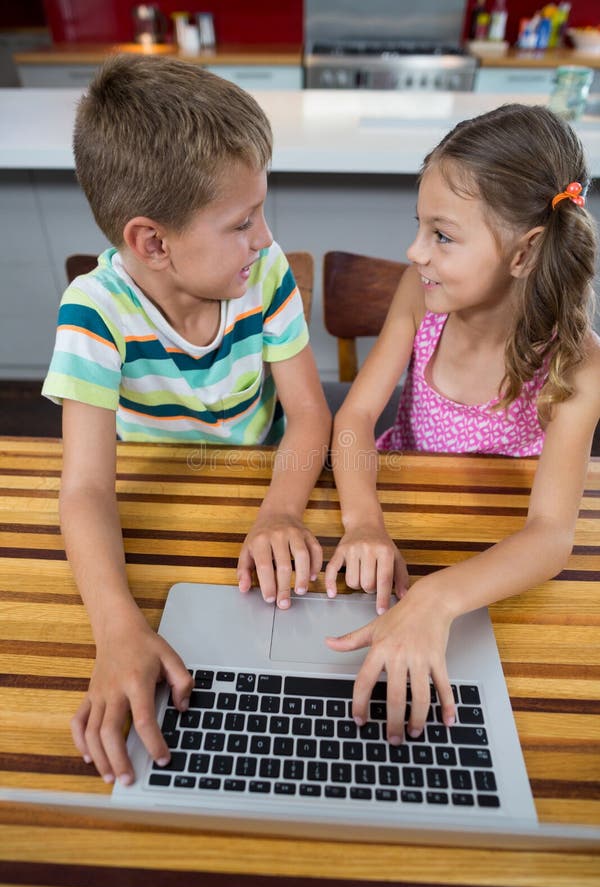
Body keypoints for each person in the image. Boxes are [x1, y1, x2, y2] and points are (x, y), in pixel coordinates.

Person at [41, 54, 331, 785]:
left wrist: (280, 511)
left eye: (261, 211)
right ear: (153, 243)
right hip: (158, 502)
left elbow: (307, 415)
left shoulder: (264, 277)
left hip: (252, 488)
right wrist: (117, 628)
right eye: (242, 221)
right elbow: (85, 490)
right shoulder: (94, 310)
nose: (265, 238)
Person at [324, 104, 600, 747]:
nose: (414, 251)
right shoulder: (419, 294)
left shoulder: (579, 363)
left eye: (442, 235)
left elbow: (551, 536)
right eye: (418, 226)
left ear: (525, 253)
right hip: (399, 509)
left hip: (494, 555)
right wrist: (364, 523)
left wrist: (435, 601)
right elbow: (357, 417)